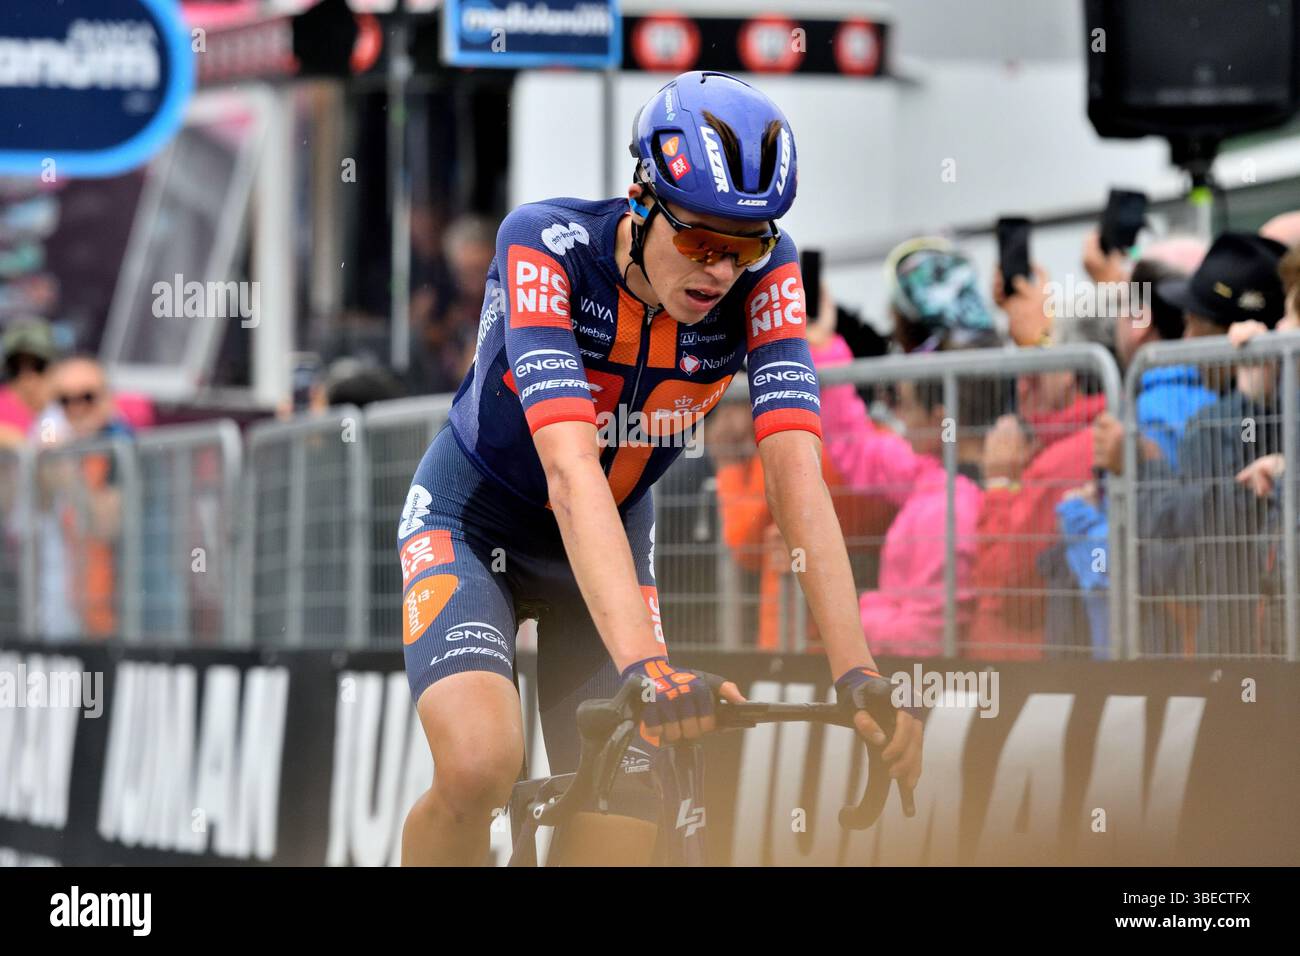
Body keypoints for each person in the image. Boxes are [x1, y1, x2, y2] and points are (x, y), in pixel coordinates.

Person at [395, 71, 923, 866]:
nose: (720, 271)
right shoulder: (545, 244)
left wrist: (858, 673)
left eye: (744, 244)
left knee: (627, 808)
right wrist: (647, 669)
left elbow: (796, 478)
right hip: (475, 519)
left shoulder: (766, 276)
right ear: (641, 200)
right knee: (479, 764)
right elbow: (571, 473)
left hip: (611, 535)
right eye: (700, 241)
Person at [0, 318, 57, 448]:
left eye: (37, 365)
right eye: (15, 365)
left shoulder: (55, 407)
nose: (26, 374)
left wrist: (45, 410)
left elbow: (49, 445)